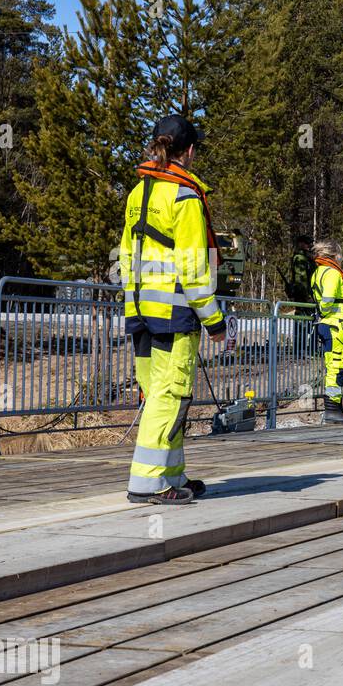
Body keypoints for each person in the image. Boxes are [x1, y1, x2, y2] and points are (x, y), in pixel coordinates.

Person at [119, 114, 225, 505]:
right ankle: (148, 483)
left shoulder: (137, 193)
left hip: (141, 311)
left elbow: (126, 257)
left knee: (158, 394)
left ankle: (171, 474)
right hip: (176, 313)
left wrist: (134, 307)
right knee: (171, 396)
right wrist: (214, 320)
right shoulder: (184, 197)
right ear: (190, 151)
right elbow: (194, 268)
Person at [309, 240, 343, 424]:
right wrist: (327, 310)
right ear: (333, 255)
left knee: (335, 369)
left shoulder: (318, 272)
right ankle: (332, 409)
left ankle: (336, 408)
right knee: (336, 370)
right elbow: (328, 300)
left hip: (334, 326)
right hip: (336, 326)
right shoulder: (331, 273)